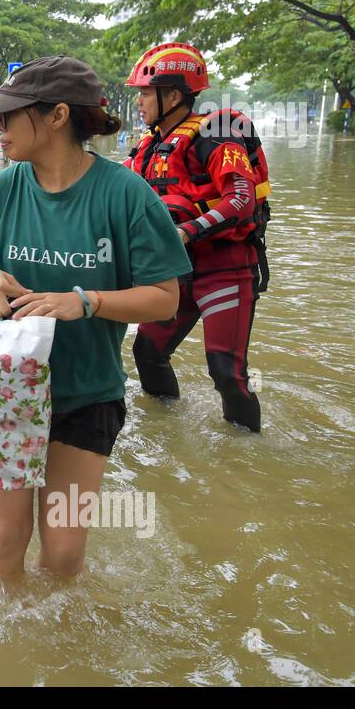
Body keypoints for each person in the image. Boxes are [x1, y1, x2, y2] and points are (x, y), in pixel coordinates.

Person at [0, 56, 192, 580]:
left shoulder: (126, 194)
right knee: (5, 539)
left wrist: (87, 301)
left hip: (87, 394)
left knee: (65, 552)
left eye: (8, 117)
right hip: (4, 396)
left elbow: (166, 299)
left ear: (57, 116)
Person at [122, 42, 270, 433]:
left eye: (144, 92)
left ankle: (245, 452)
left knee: (226, 370)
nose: (138, 100)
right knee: (148, 352)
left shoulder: (217, 135)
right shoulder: (147, 147)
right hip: (177, 271)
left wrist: (182, 234)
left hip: (225, 269)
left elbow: (240, 200)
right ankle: (167, 433)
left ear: (171, 95)